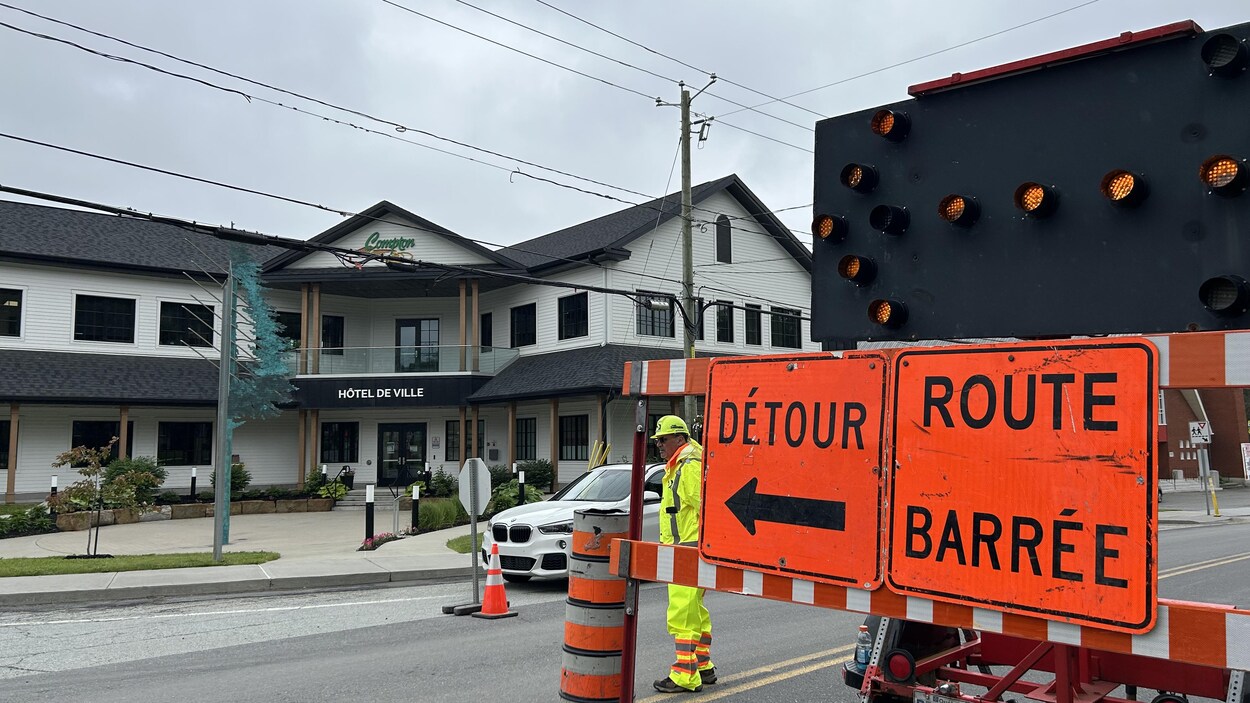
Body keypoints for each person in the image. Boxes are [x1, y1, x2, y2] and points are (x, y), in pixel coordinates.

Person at [650, 414, 716, 694]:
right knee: (696, 610)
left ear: (680, 438)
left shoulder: (687, 464)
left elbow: (704, 506)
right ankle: (703, 666)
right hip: (691, 547)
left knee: (682, 612)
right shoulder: (686, 461)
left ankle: (685, 675)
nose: (660, 445)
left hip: (686, 548)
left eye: (663, 439)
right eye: (658, 441)